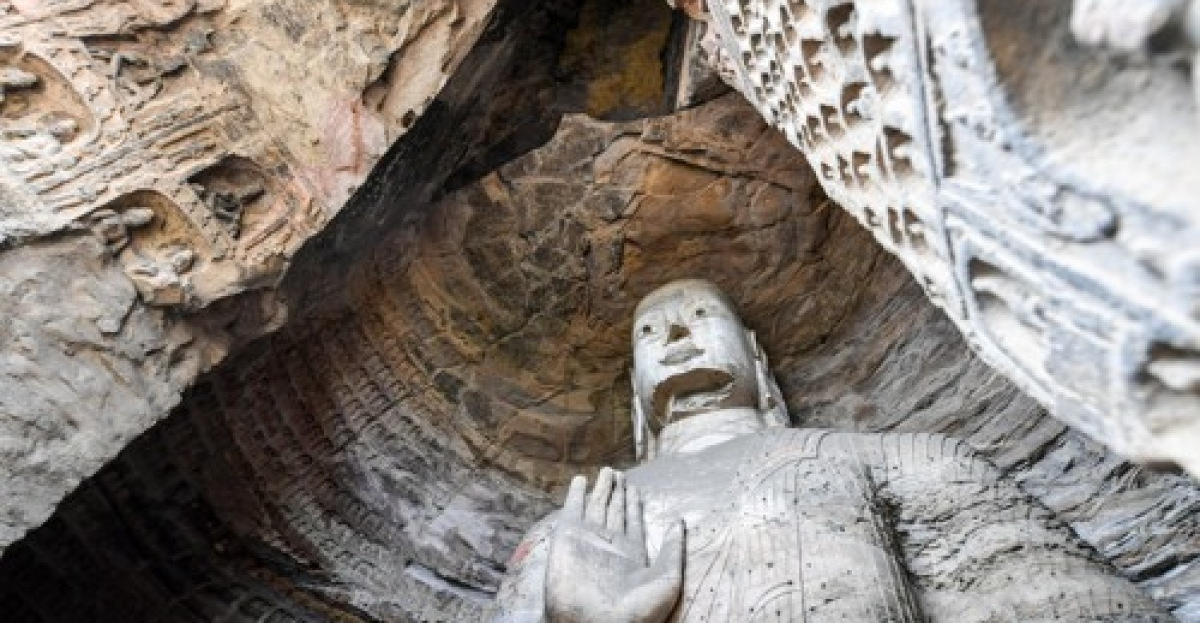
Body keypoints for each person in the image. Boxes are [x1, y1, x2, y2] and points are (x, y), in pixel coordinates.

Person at [490, 279, 1170, 622]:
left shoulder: (897, 460)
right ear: (634, 393)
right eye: (650, 333)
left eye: (700, 319)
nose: (675, 341)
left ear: (757, 358)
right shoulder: (564, 537)